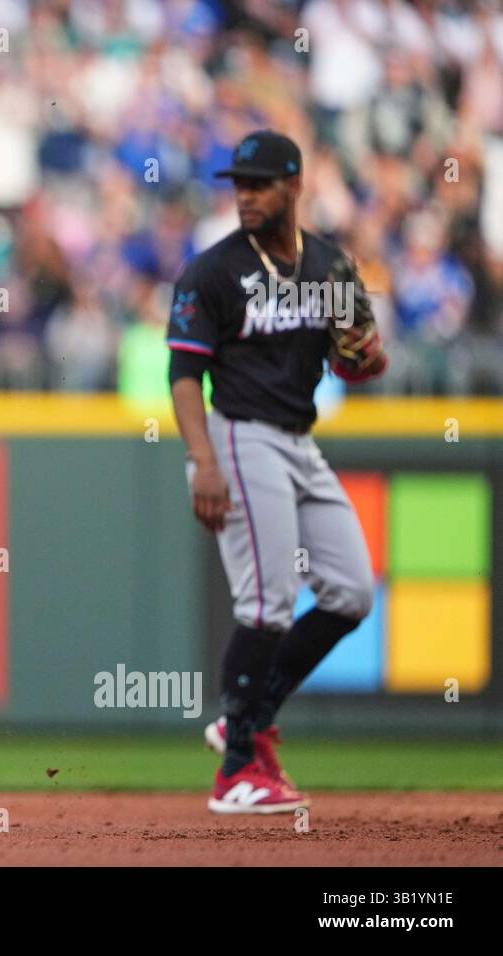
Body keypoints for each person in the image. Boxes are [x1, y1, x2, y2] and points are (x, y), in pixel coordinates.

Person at [165, 130, 387, 814]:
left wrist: (364, 355)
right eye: (239, 184)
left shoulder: (330, 266)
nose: (247, 195)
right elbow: (183, 375)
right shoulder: (213, 271)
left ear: (294, 185)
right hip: (238, 436)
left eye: (260, 183)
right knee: (265, 602)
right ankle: (236, 773)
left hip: (299, 440)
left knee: (351, 590)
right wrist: (203, 460)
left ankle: (247, 716)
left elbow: (361, 362)